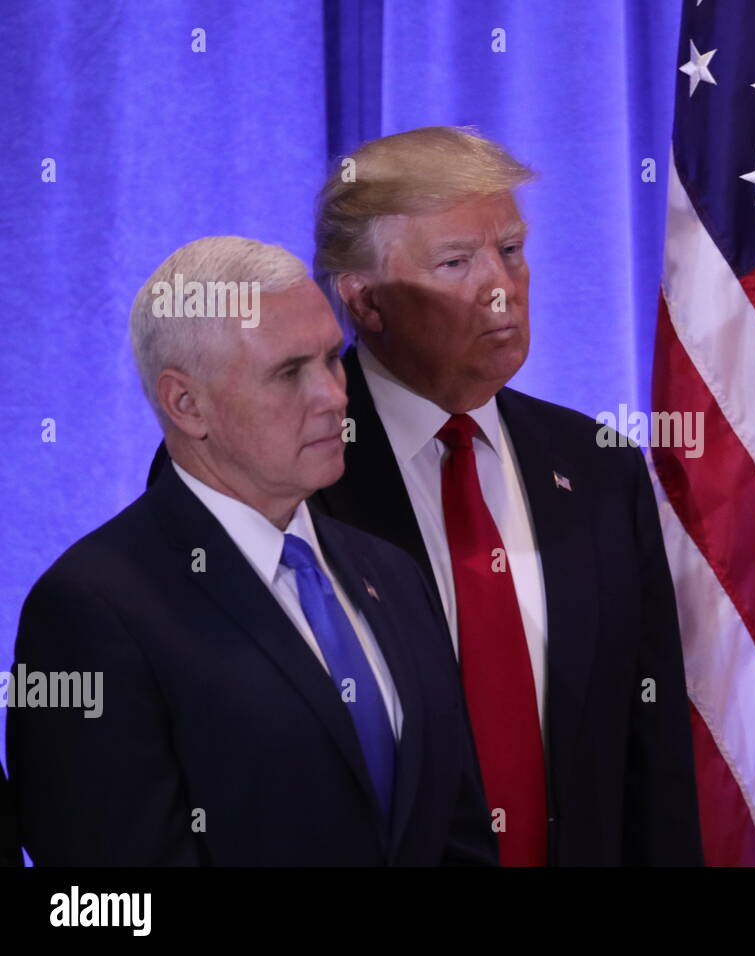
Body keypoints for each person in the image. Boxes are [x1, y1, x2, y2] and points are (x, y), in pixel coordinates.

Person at [11, 236, 496, 866]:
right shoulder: (90, 609)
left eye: (331, 359)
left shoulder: (392, 572)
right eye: (289, 372)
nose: (332, 395)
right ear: (186, 404)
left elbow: (455, 833)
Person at [313, 127, 703, 865]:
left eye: (512, 251)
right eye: (457, 262)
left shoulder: (598, 466)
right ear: (364, 303)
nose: (502, 287)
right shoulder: (294, 474)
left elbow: (651, 756)